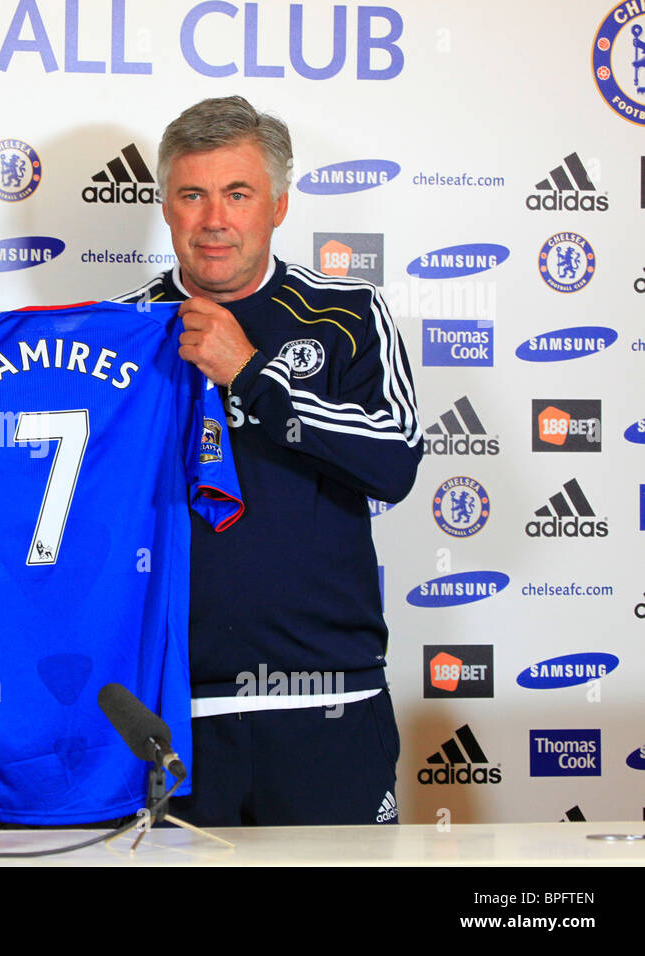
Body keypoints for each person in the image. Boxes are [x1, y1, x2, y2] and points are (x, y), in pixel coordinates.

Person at [116, 96, 422, 825]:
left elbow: (395, 461)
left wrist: (251, 375)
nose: (213, 218)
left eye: (237, 194)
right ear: (165, 206)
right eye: (192, 195)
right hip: (170, 709)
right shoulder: (119, 333)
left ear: (279, 206)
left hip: (328, 703)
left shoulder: (349, 313)